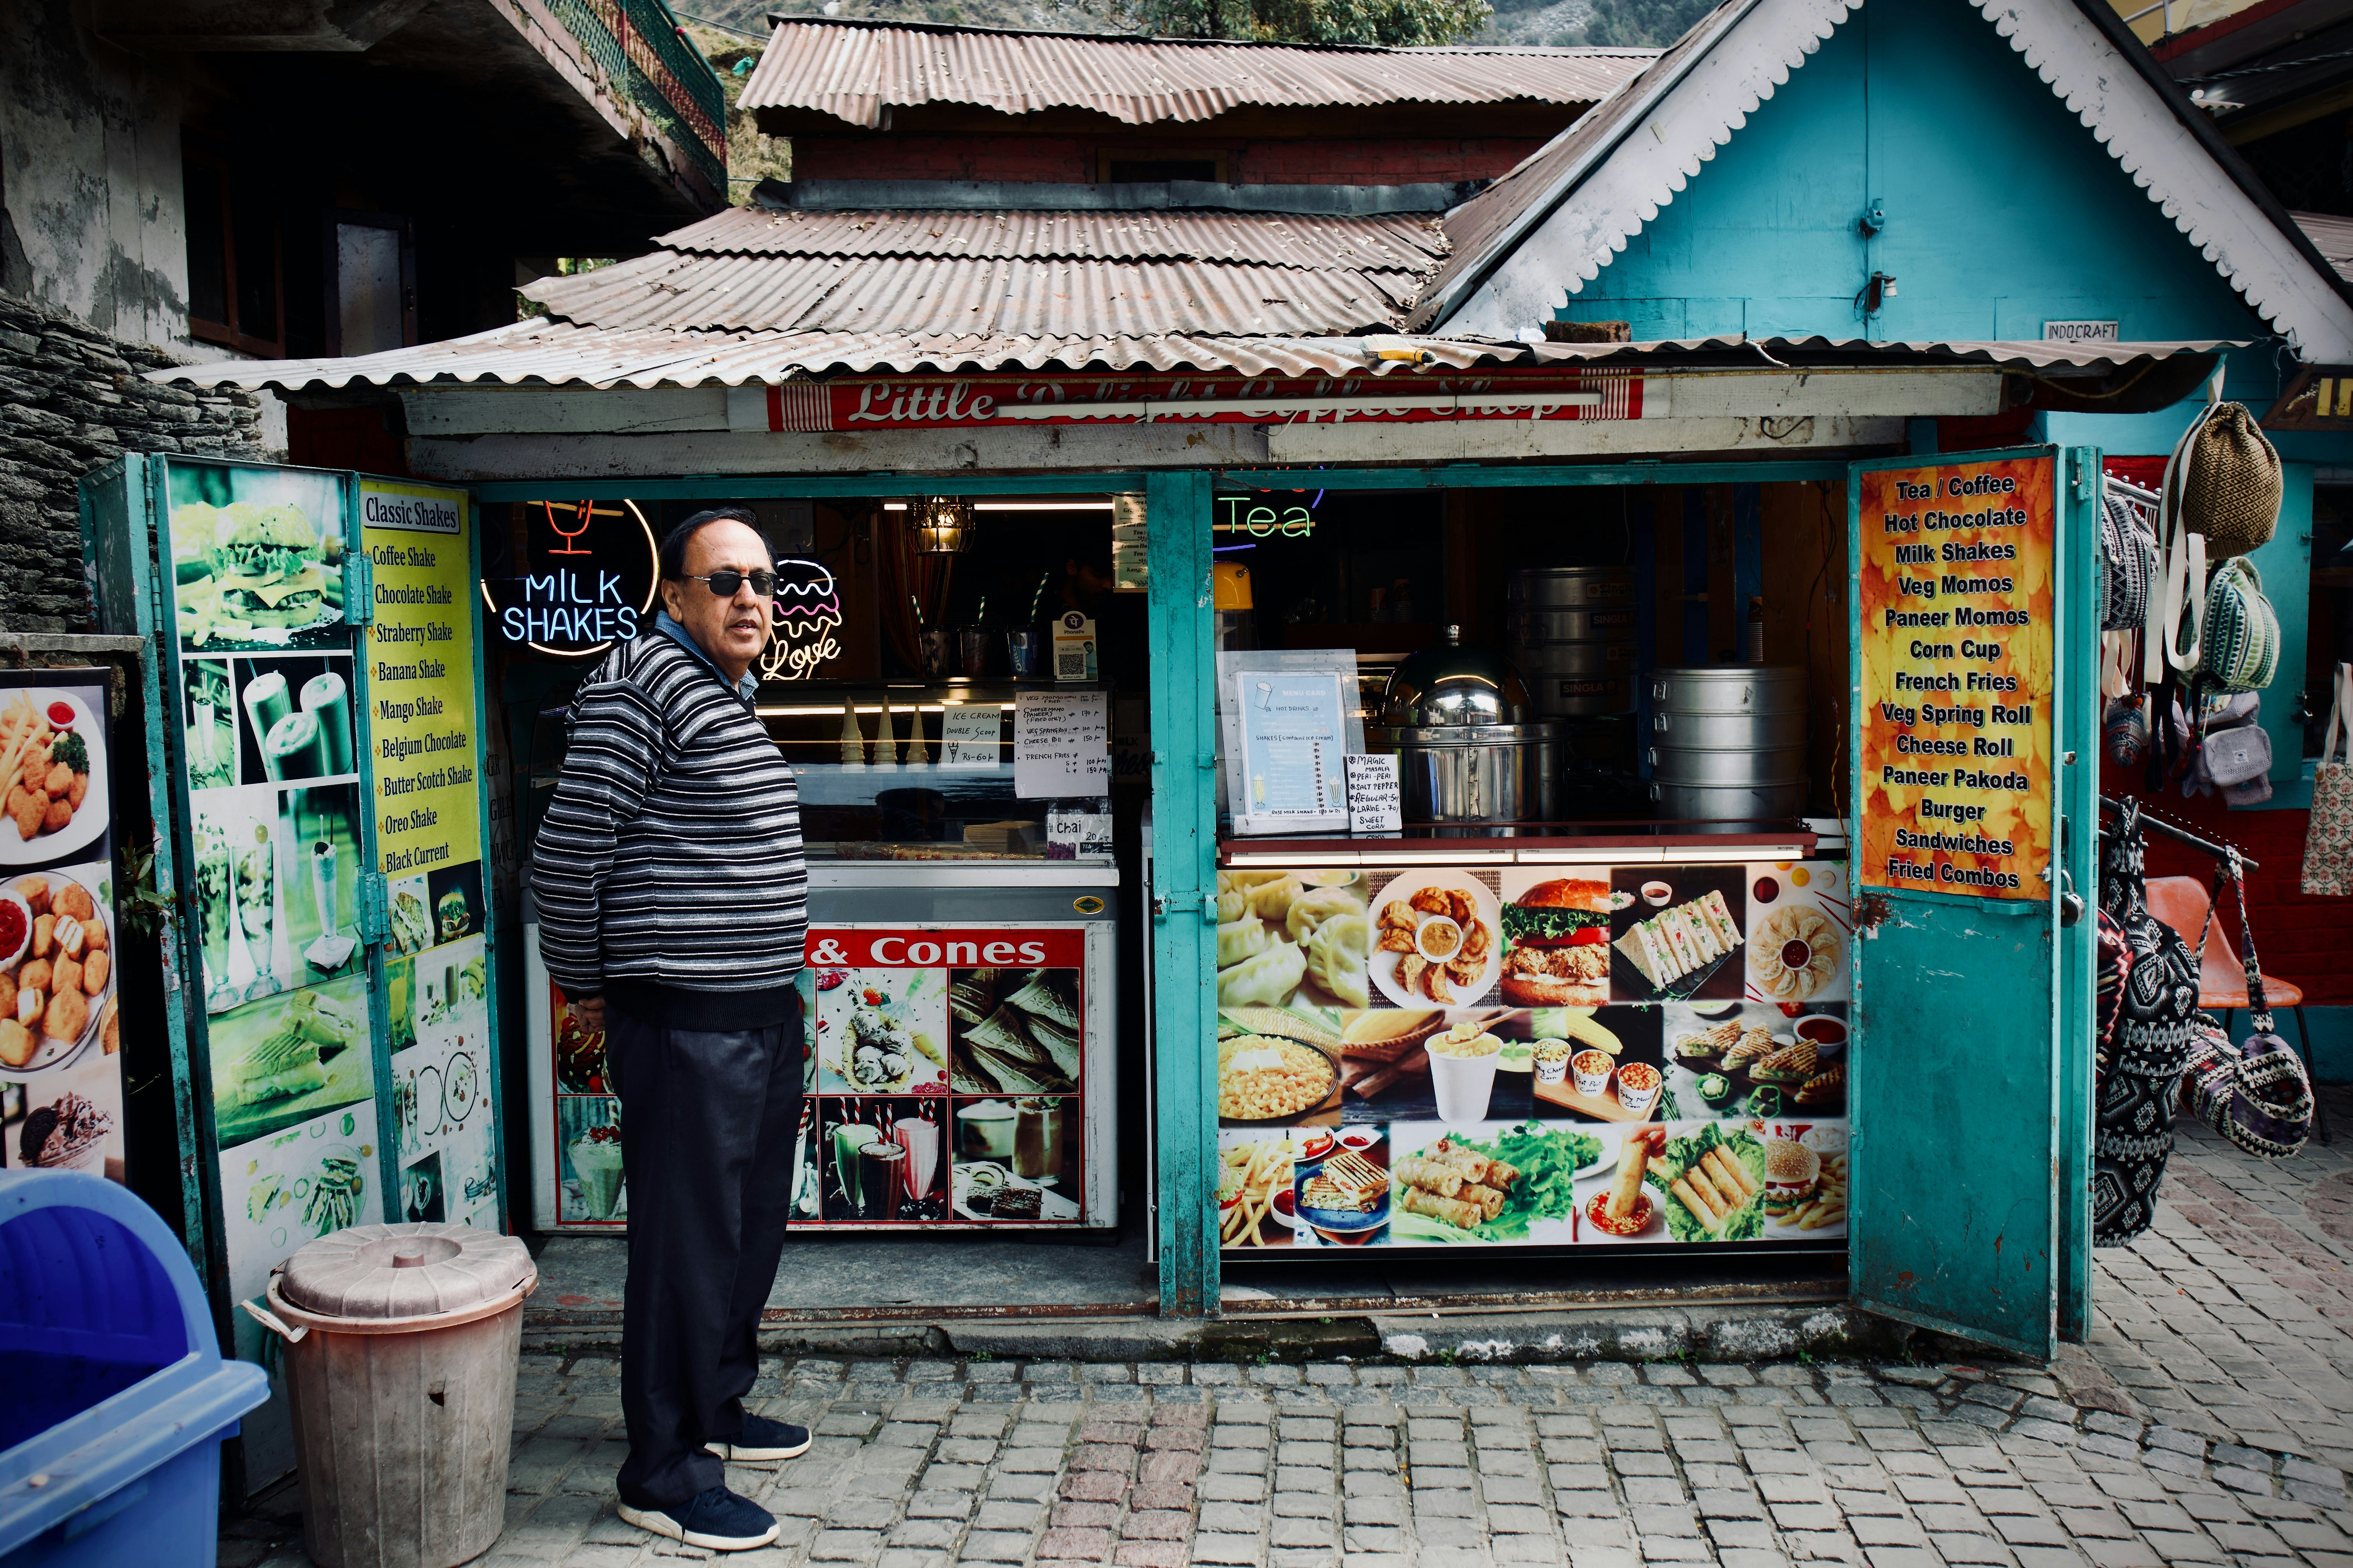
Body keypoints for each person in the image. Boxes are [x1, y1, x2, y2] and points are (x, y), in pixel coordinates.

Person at [531, 507, 811, 1552]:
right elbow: (570, 853)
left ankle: (715, 1408)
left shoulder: (720, 691)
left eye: (764, 583)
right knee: (687, 1247)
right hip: (685, 1022)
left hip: (754, 1013)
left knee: (742, 1234)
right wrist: (587, 986)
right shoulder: (639, 684)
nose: (751, 599)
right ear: (679, 598)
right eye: (726, 581)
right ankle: (660, 1471)